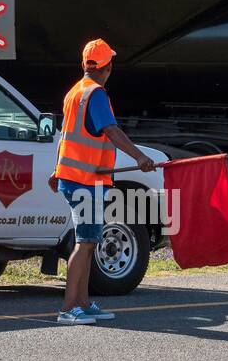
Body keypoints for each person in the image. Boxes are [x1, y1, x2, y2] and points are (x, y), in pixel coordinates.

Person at [52, 38, 155, 325]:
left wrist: (56, 170)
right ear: (107, 67)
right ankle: (68, 308)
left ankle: (82, 304)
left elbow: (66, 136)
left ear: (85, 64)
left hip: (79, 179)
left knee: (89, 242)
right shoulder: (96, 94)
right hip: (85, 181)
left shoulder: (76, 92)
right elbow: (110, 130)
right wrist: (140, 157)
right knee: (84, 244)